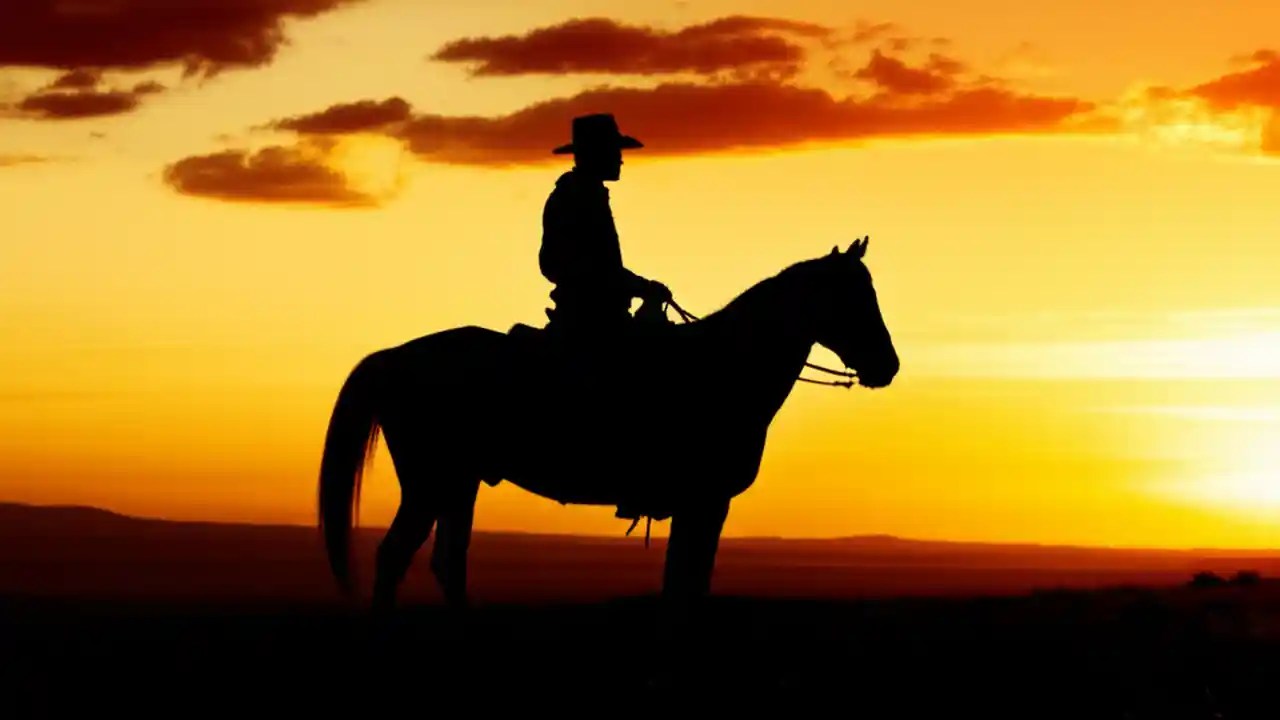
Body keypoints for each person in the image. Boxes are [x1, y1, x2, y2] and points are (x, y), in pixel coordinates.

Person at [539, 113, 671, 346]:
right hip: (591, 320)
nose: (620, 160)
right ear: (596, 154)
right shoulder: (579, 198)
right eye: (614, 152)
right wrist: (641, 287)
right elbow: (592, 268)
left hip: (592, 315)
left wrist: (637, 285)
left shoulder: (583, 194)